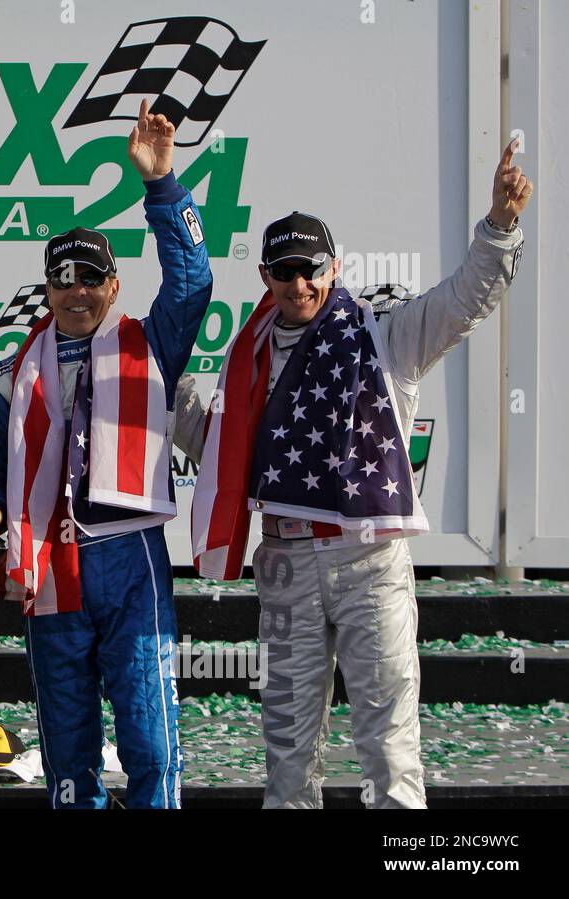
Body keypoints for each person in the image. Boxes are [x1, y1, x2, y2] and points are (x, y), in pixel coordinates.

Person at [175, 141, 532, 808]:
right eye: (284, 270)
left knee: (389, 745)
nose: (298, 283)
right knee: (286, 751)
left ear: (334, 267)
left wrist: (500, 228)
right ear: (265, 274)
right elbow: (222, 454)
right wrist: (170, 388)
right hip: (283, 559)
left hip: (371, 558)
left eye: (310, 268)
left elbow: (466, 298)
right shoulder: (248, 356)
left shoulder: (385, 333)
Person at [0, 100, 213, 809]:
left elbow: (194, 282)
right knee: (67, 746)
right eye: (61, 279)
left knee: (149, 737)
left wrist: (163, 187)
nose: (76, 290)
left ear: (113, 285)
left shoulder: (149, 341)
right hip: (50, 559)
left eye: (89, 277)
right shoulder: (17, 369)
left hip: (128, 551)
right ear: (46, 289)